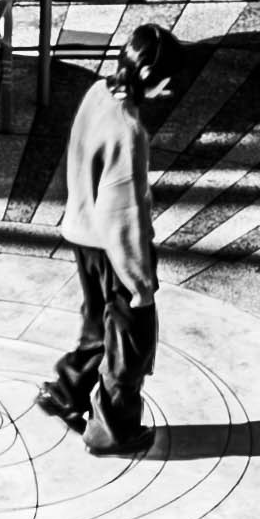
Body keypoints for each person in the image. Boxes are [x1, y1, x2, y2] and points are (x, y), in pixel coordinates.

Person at [39, 24, 182, 455]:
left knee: (96, 324)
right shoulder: (130, 131)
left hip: (81, 234)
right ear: (157, 79)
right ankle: (112, 432)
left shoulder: (98, 93)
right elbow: (124, 218)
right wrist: (141, 286)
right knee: (128, 349)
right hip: (112, 247)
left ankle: (65, 394)